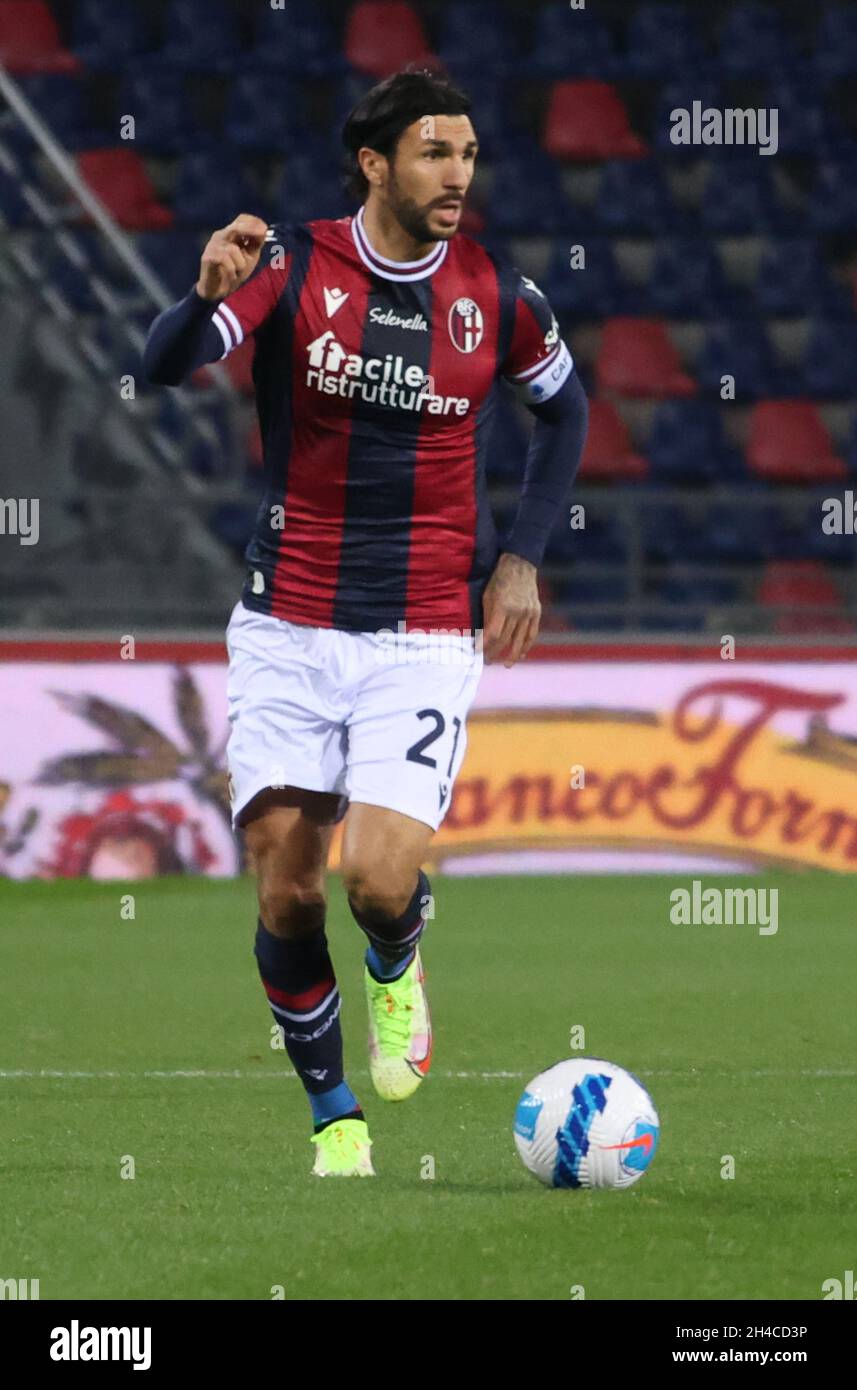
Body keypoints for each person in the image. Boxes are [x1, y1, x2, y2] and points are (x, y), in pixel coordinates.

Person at [143, 67, 588, 1176]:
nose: (458, 176)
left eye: (470, 154)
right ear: (375, 162)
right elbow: (160, 369)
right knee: (286, 887)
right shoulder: (290, 265)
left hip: (423, 629)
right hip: (287, 622)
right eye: (436, 153)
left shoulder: (496, 290)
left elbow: (564, 407)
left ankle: (397, 960)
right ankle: (334, 1113)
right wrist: (200, 299)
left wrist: (521, 558)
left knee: (375, 880)